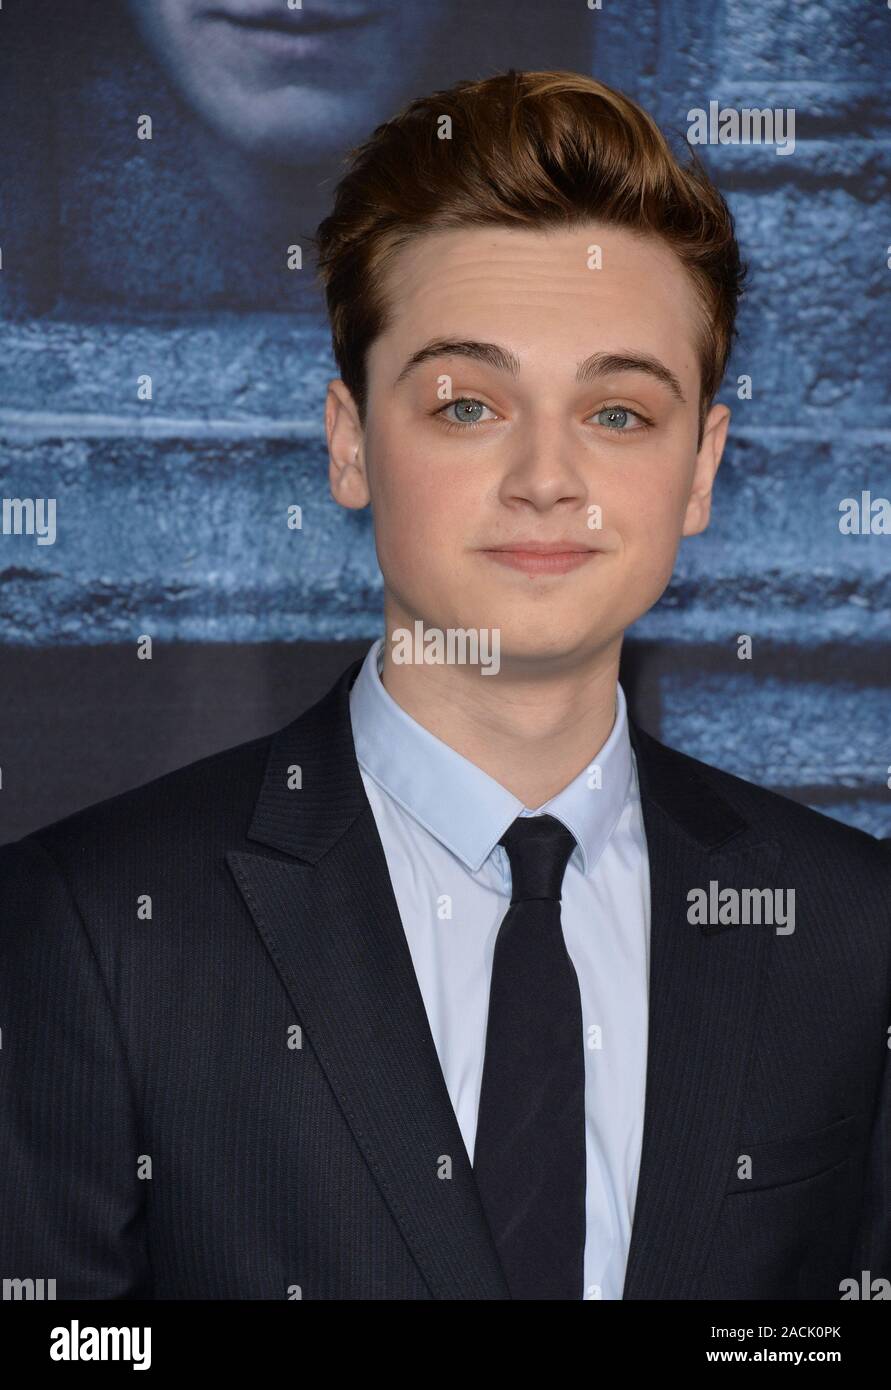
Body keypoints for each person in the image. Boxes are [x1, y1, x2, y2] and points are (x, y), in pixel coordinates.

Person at [1, 70, 888, 1301]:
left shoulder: (855, 930)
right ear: (351, 440)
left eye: (620, 412)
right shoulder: (94, 928)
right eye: (468, 403)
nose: (545, 475)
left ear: (701, 469)